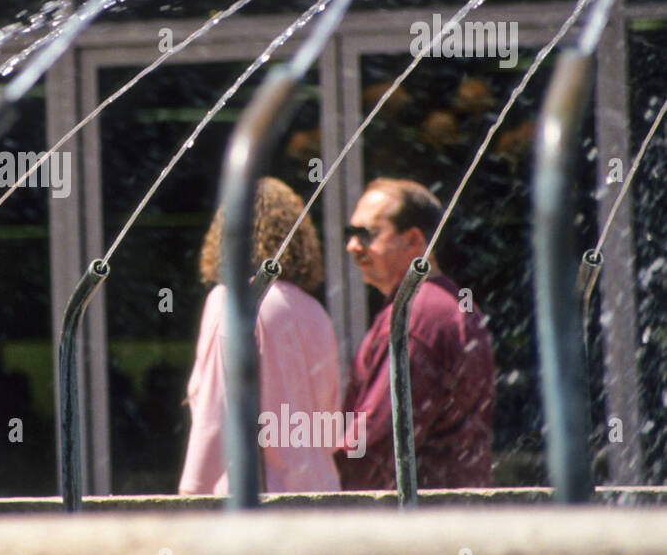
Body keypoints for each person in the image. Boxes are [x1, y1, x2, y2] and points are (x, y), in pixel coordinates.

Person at [179, 177, 342, 495]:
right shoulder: (314, 311)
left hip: (256, 501)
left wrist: (194, 492)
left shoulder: (232, 302)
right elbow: (329, 420)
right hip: (319, 495)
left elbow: (216, 409)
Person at [334, 177, 495, 489]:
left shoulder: (417, 315)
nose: (353, 246)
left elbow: (377, 439)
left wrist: (328, 492)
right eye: (350, 234)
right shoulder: (445, 303)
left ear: (413, 240)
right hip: (451, 510)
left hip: (417, 520)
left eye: (367, 234)